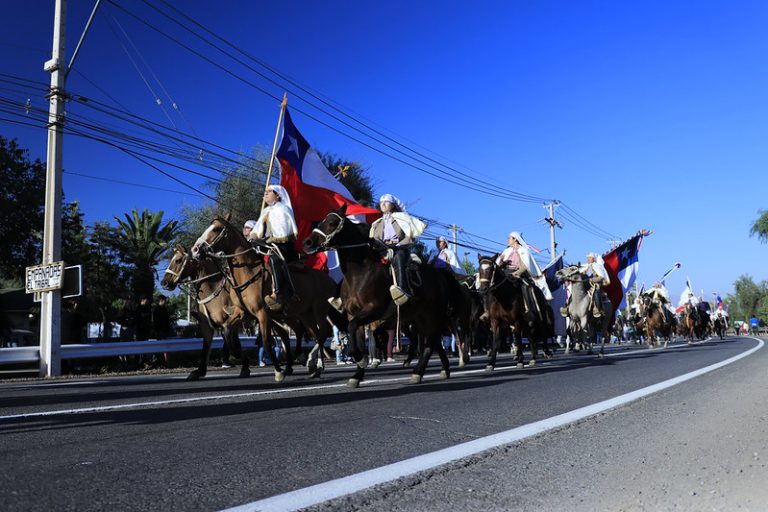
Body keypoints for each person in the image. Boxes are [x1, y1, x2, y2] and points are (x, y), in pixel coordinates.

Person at [369, 193, 426, 305]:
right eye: (381, 202)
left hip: (399, 247)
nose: (383, 204)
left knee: (399, 257)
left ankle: (403, 290)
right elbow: (374, 239)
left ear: (393, 205)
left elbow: (408, 237)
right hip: (382, 249)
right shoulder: (377, 223)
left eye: (386, 202)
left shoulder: (402, 219)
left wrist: (396, 246)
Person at [248, 185, 299, 310]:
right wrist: (254, 237)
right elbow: (258, 230)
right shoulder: (266, 211)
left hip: (284, 246)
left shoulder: (283, 209)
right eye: (265, 191)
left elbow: (284, 233)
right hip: (269, 245)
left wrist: (268, 240)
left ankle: (279, 294)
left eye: (269, 191)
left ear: (278, 195)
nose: (265, 193)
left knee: (274, 260)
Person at [493, 231, 552, 321]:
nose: (508, 240)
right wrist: (501, 263)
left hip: (519, 274)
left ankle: (528, 309)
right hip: (505, 274)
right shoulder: (506, 251)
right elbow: (498, 265)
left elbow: (525, 267)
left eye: (509, 238)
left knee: (526, 287)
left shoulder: (523, 250)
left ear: (515, 239)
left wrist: (514, 274)